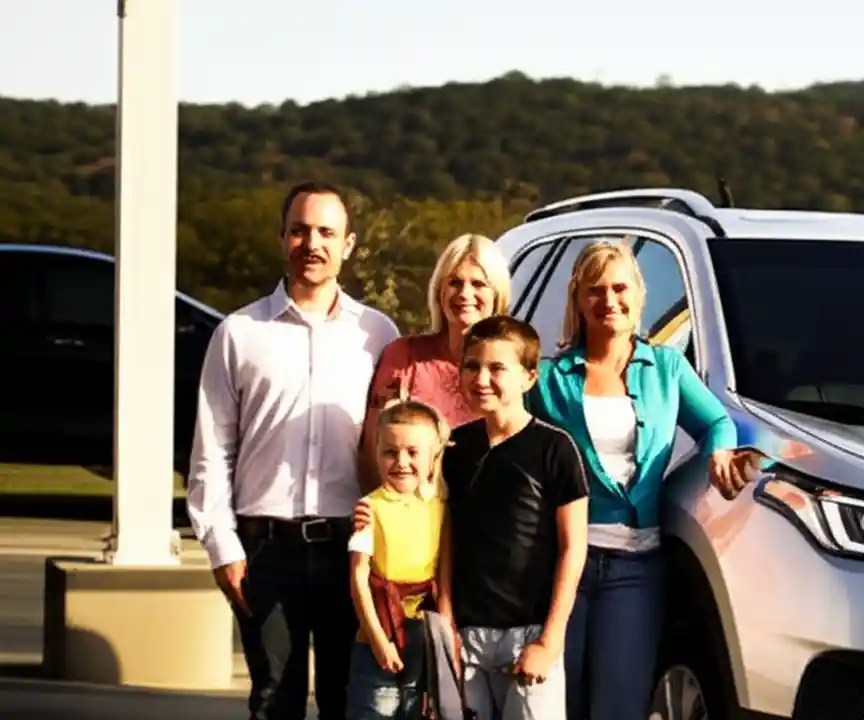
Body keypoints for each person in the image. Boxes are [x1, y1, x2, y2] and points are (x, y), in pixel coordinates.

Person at [186, 181, 401, 720]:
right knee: (273, 702)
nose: (313, 243)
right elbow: (212, 451)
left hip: (349, 551)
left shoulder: (377, 334)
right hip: (265, 552)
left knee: (344, 701)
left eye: (327, 232)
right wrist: (222, 548)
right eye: (301, 230)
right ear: (282, 237)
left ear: (348, 244)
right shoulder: (238, 333)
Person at [525, 240, 749, 720]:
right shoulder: (548, 379)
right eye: (596, 290)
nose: (609, 300)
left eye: (620, 287)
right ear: (578, 299)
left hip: (636, 567)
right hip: (563, 564)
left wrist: (717, 457)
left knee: (620, 706)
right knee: (555, 704)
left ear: (639, 293)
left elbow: (717, 423)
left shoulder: (667, 368)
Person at [447, 315, 589, 720]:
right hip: (466, 637)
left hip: (528, 634)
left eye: (497, 368)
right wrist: (446, 629)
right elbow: (447, 540)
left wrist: (550, 640)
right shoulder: (455, 449)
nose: (481, 378)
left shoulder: (554, 449)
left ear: (529, 376)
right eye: (472, 366)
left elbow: (573, 547)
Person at [358, 233, 511, 493]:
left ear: (497, 293)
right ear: (439, 291)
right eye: (454, 282)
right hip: (414, 520)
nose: (465, 294)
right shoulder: (404, 358)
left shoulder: (512, 368)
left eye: (478, 284)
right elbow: (372, 453)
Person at [348, 399, 452, 720]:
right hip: (378, 634)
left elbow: (444, 570)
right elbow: (359, 578)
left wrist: (446, 635)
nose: (401, 462)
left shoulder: (440, 505)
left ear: (433, 457)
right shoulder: (370, 507)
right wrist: (380, 642)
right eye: (390, 452)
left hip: (425, 636)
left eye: (413, 452)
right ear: (376, 453)